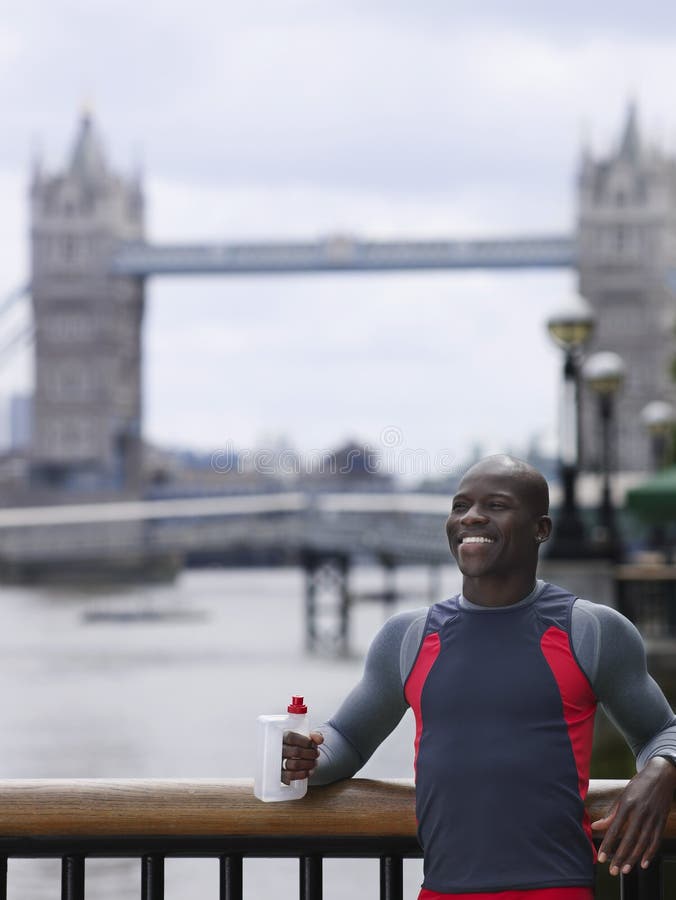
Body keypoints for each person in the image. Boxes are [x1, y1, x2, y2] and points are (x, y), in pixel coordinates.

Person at [282, 455, 676, 899]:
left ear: (541, 529)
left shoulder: (592, 630)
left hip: (554, 889)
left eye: (497, 504)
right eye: (460, 506)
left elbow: (662, 731)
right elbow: (346, 739)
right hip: (442, 890)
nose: (471, 516)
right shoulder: (407, 637)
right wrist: (306, 761)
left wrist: (660, 772)